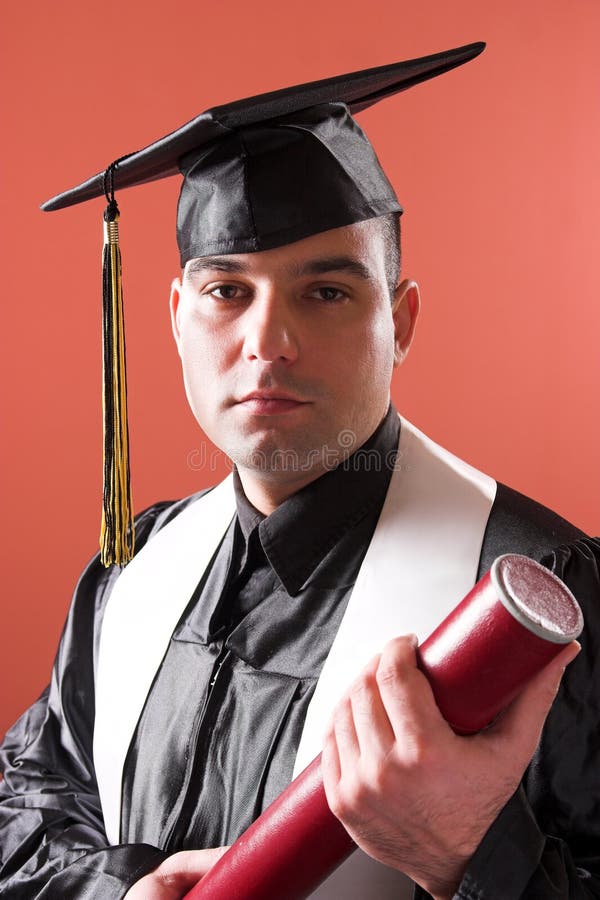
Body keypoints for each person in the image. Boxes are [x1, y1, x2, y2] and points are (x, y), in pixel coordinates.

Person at [1, 44, 599, 900]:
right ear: (176, 319)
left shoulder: (535, 602)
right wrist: (121, 891)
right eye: (227, 291)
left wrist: (466, 856)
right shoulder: (134, 568)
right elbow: (30, 799)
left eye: (326, 292)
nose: (266, 344)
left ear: (400, 321)